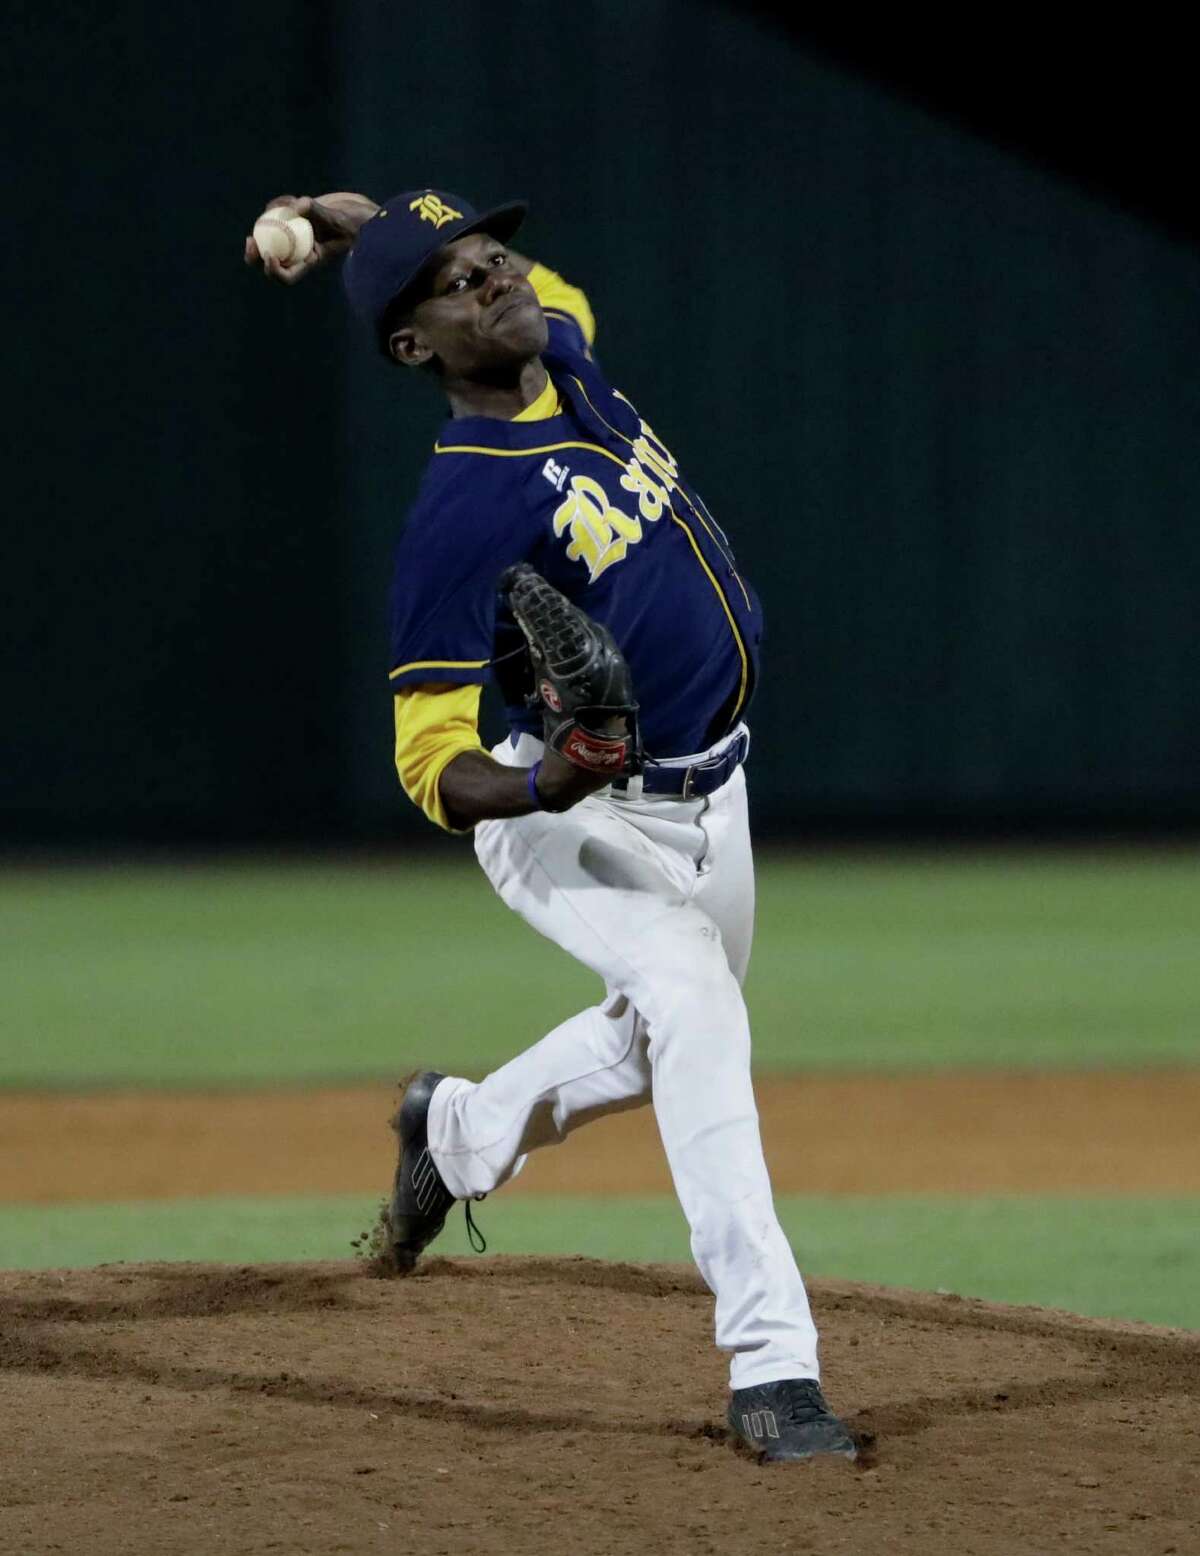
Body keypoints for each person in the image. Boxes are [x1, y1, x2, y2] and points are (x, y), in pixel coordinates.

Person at [245, 188, 857, 1463]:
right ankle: (772, 1361)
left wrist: (380, 230)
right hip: (574, 812)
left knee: (661, 1041)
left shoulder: (560, 352)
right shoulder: (462, 512)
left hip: (714, 795)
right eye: (463, 286)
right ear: (416, 350)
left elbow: (545, 295)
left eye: (497, 258)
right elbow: (429, 761)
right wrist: (544, 788)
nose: (501, 284)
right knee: (696, 1010)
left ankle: (454, 1134)